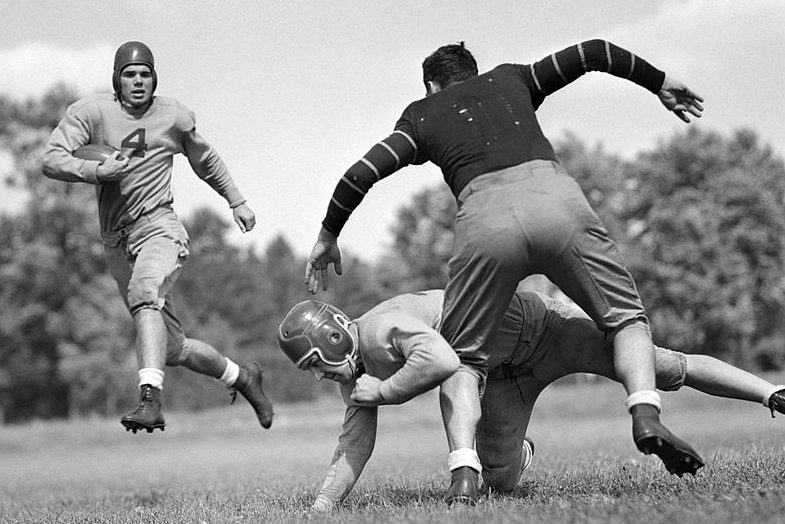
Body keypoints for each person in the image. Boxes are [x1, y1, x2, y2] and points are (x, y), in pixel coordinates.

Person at [304, 39, 705, 502]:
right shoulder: (516, 79)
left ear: (432, 85)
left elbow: (359, 174)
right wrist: (660, 82)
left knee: (465, 357)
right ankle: (644, 409)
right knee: (625, 320)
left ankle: (463, 473)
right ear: (472, 73)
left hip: (486, 225)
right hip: (556, 203)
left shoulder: (422, 114)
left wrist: (328, 235)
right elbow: (594, 53)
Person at [277, 289, 785, 511]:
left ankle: (772, 392)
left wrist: (385, 391)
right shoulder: (353, 379)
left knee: (667, 366)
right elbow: (353, 446)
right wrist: (322, 506)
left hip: (546, 328)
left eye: (316, 363)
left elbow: (440, 361)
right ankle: (502, 460)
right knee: (502, 481)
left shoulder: (383, 328)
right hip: (501, 375)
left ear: (337, 338)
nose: (320, 377)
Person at [41, 41, 273, 433]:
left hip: (159, 226)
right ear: (117, 79)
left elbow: (205, 159)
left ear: (155, 79)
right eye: (130, 74)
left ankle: (150, 399)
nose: (138, 81)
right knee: (174, 348)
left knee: (145, 295)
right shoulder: (91, 112)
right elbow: (51, 158)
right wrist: (95, 171)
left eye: (145, 74)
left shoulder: (172, 116)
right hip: (116, 239)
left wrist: (236, 201)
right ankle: (242, 377)